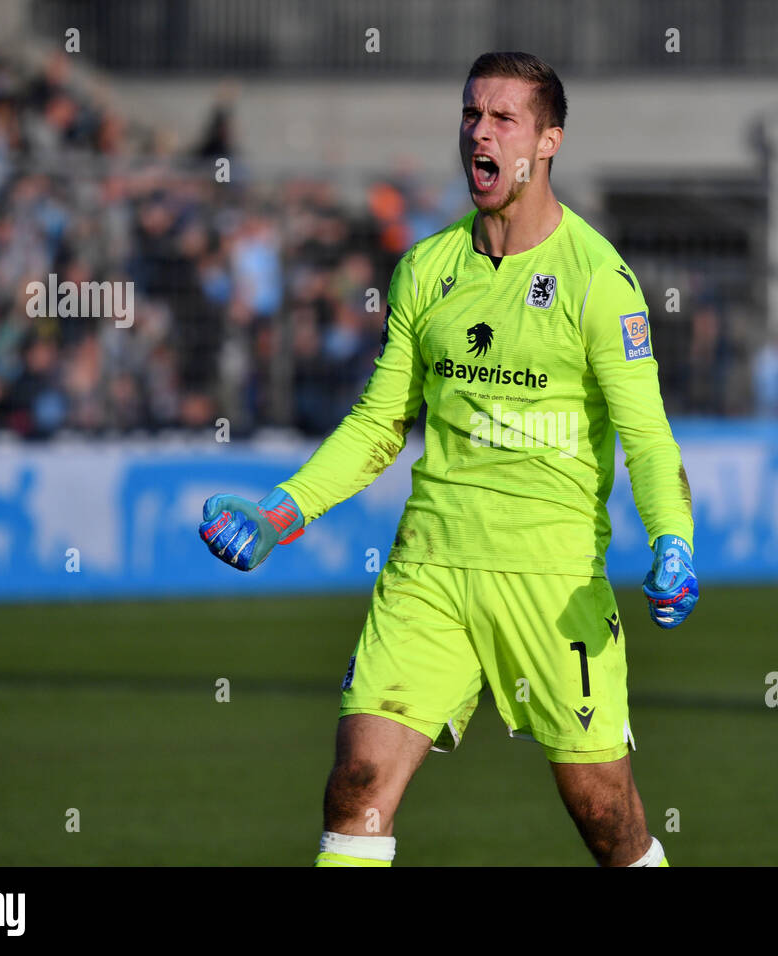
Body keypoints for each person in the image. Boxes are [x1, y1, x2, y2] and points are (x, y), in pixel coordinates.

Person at [198, 52, 697, 867]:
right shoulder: (427, 270)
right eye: (471, 114)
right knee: (358, 780)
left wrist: (672, 538)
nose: (480, 131)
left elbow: (647, 436)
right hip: (429, 571)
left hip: (552, 580)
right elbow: (378, 424)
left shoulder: (599, 281)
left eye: (504, 118)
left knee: (604, 814)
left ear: (548, 142)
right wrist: (280, 510)